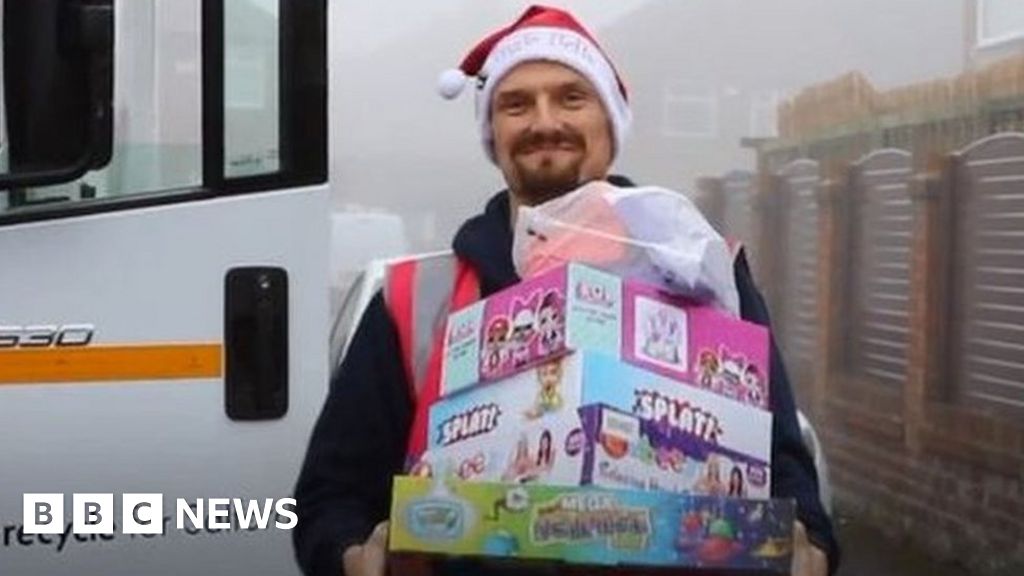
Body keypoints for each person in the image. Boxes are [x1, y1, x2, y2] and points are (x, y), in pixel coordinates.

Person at [292, 5, 839, 576]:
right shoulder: (413, 300)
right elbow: (329, 498)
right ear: (493, 133)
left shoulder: (707, 275)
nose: (544, 122)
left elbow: (784, 465)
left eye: (571, 97)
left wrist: (813, 550)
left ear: (612, 122)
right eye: (516, 103)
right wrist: (353, 555)